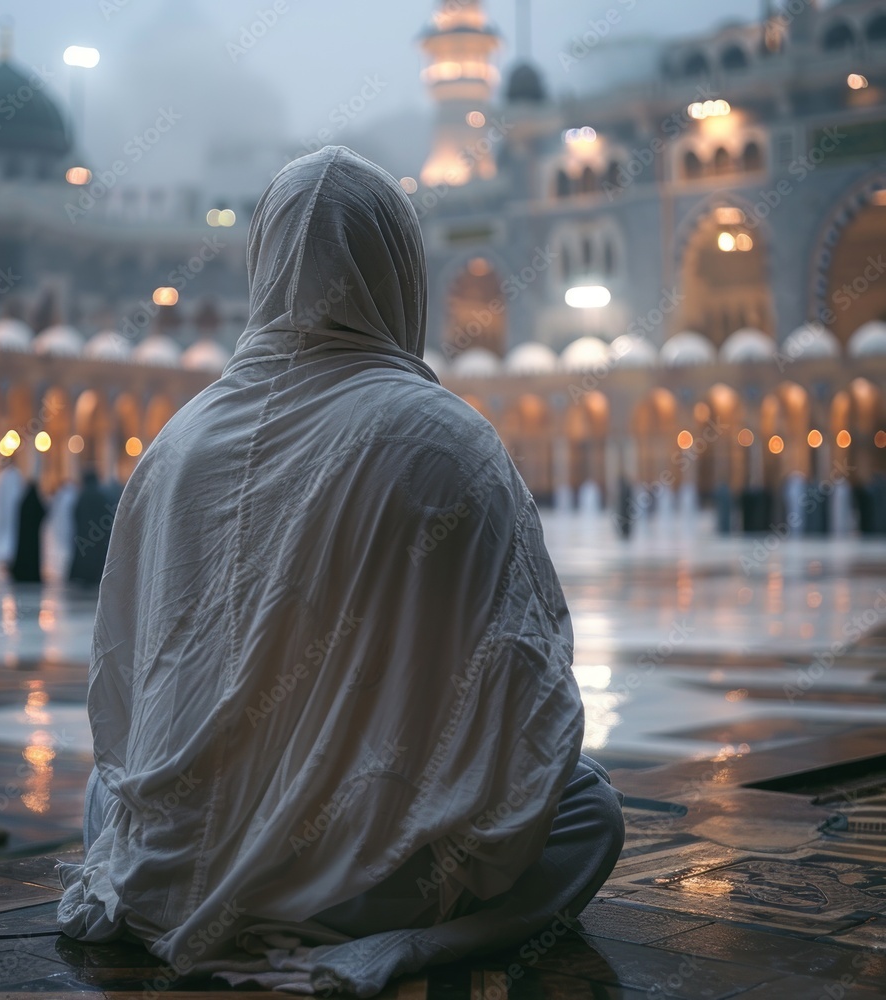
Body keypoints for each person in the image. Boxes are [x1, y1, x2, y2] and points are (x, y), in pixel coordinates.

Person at [57, 147, 624, 994]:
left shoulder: (175, 445)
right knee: (590, 809)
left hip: (174, 874)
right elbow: (528, 691)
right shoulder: (448, 439)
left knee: (113, 794)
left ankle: (202, 889)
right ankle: (403, 943)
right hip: (375, 888)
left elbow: (127, 693)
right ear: (398, 268)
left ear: (265, 262)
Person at [68, 469, 112, 586]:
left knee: (84, 555)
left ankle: (83, 575)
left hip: (84, 533)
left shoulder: (83, 495)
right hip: (97, 533)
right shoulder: (101, 495)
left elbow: (76, 514)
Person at [0, 459, 25, 572]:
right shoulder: (8, 477)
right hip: (6, 514)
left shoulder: (8, 477)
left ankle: (9, 559)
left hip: (9, 514)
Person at [11, 480, 46, 583]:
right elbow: (42, 512)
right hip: (33, 538)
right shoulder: (33, 501)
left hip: (25, 538)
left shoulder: (25, 501)